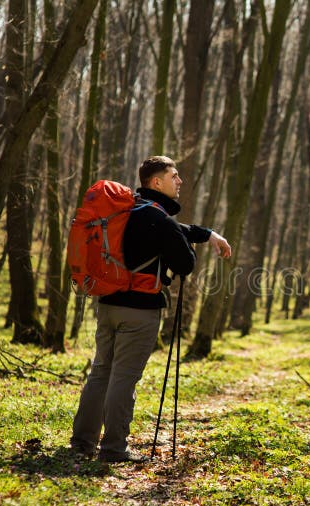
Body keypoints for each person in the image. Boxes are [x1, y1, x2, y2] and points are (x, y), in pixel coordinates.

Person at [70, 155, 231, 463]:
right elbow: (185, 264)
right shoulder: (159, 219)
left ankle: (82, 443)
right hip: (141, 311)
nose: (179, 181)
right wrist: (187, 246)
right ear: (157, 182)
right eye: (174, 176)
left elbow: (178, 229)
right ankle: (114, 449)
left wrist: (207, 234)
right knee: (124, 377)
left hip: (107, 304)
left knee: (101, 372)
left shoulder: (125, 210)